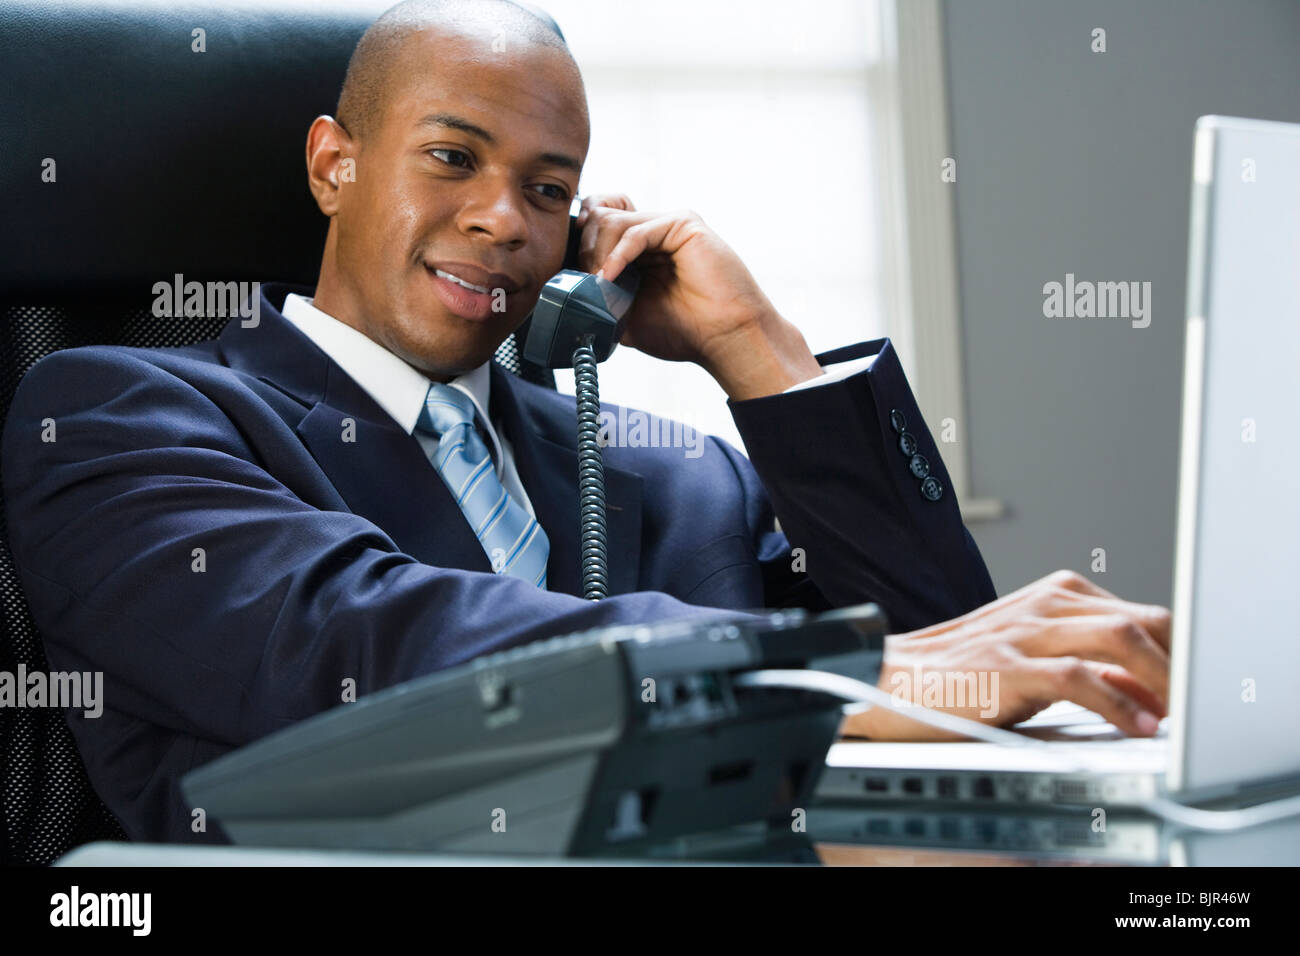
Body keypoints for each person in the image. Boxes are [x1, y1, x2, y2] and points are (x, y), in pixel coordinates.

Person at [0, 0, 1168, 844]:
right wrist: (836, 674)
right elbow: (364, 648)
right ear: (332, 165)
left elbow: (951, 663)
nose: (505, 219)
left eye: (549, 188)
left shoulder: (673, 471)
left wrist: (755, 347)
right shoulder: (120, 413)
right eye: (452, 157)